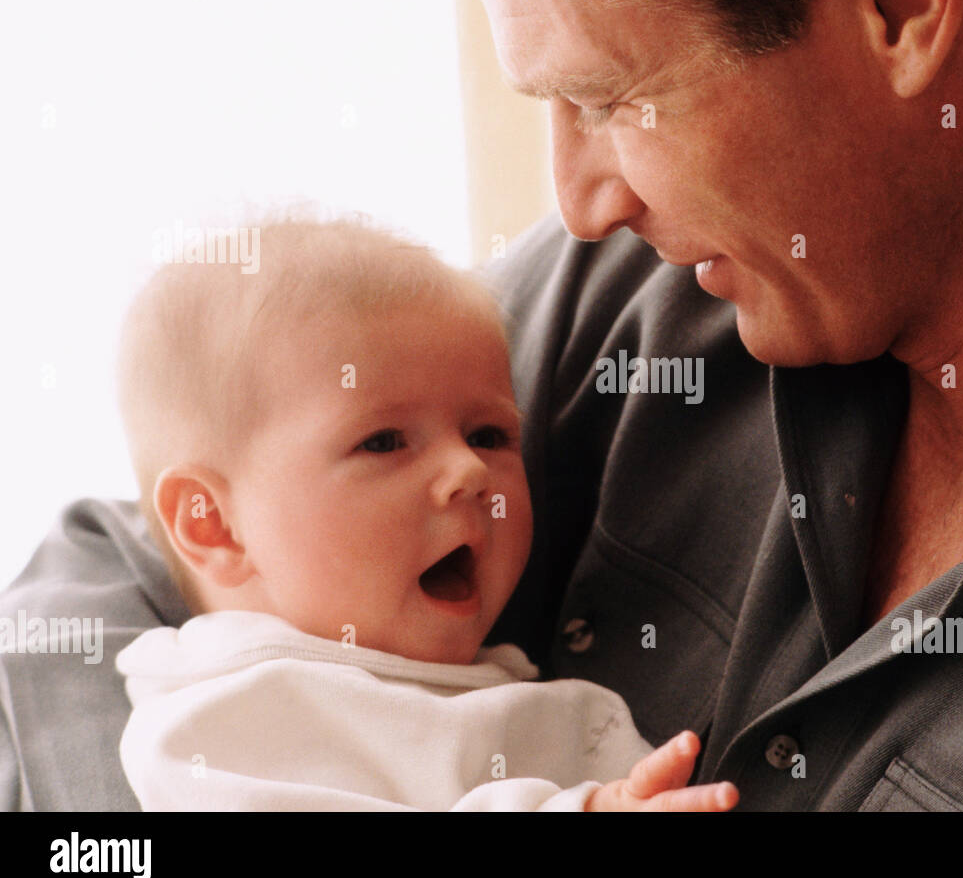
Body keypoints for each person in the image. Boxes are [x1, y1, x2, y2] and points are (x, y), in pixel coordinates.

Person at [2, 0, 963, 811]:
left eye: (612, 98)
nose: (577, 199)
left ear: (896, 4)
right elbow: (114, 580)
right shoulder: (634, 309)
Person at [106, 219, 737, 812]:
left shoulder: (542, 706)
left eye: (488, 434)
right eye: (383, 442)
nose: (468, 472)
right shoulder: (222, 722)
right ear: (211, 523)